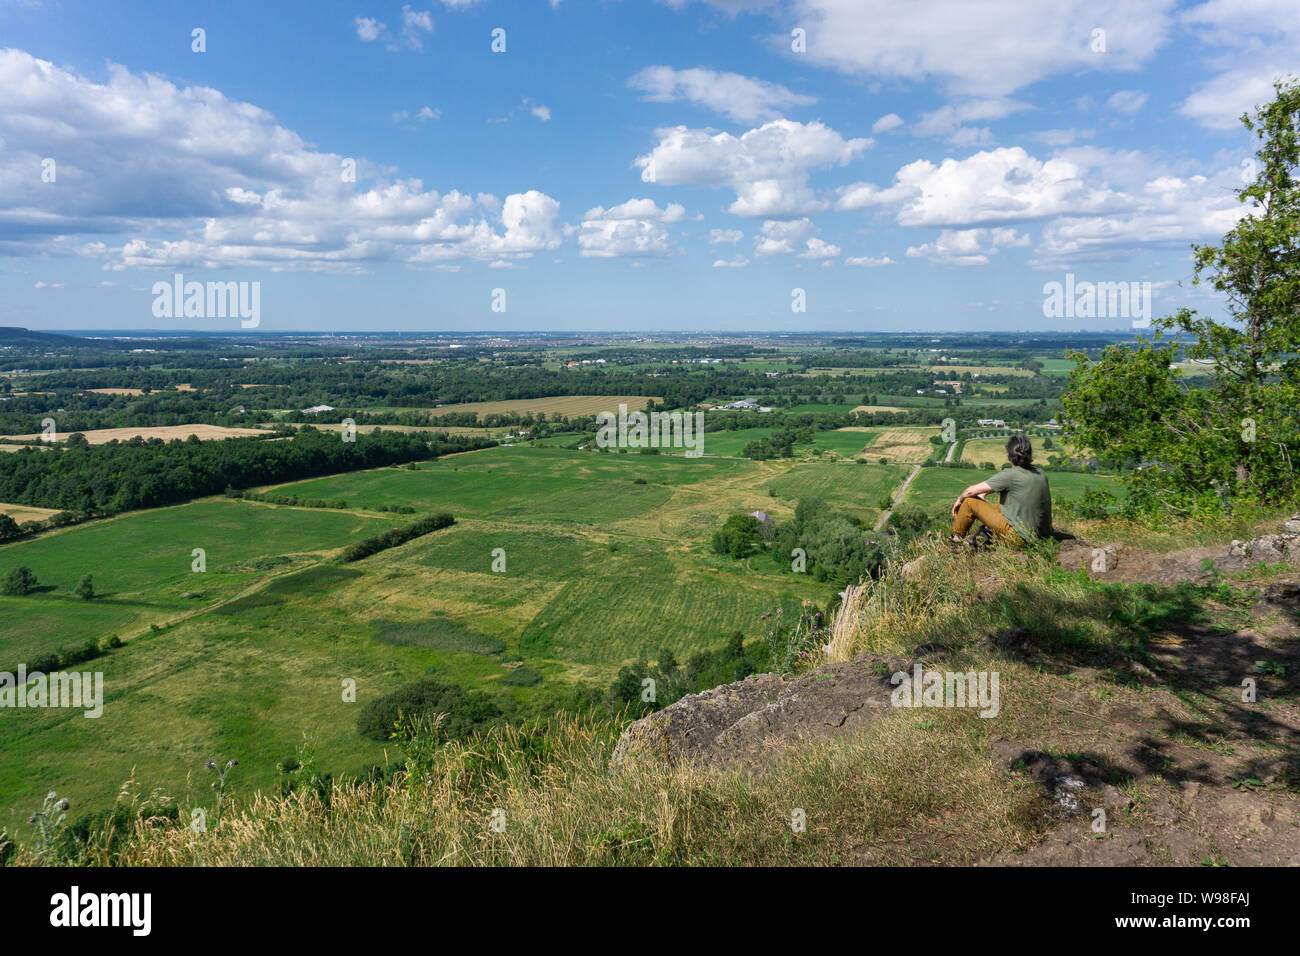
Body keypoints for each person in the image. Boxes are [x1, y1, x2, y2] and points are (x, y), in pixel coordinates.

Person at [949, 434, 1053, 548]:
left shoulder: (1010, 475)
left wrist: (960, 500)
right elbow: (1005, 486)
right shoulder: (1040, 472)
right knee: (1005, 496)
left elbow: (970, 492)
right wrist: (983, 494)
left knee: (969, 502)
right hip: (1043, 535)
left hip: (1019, 538)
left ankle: (956, 539)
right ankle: (987, 532)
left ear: (1008, 455)